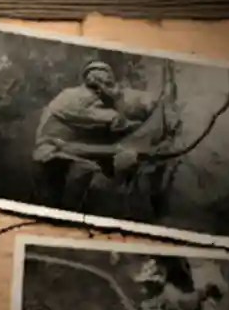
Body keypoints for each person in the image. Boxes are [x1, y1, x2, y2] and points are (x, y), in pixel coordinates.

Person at [32, 61, 145, 209]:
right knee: (88, 174)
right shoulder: (73, 96)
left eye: (109, 82)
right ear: (93, 80)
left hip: (71, 150)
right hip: (53, 153)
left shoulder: (94, 98)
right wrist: (121, 108)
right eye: (105, 82)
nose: (107, 87)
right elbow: (111, 120)